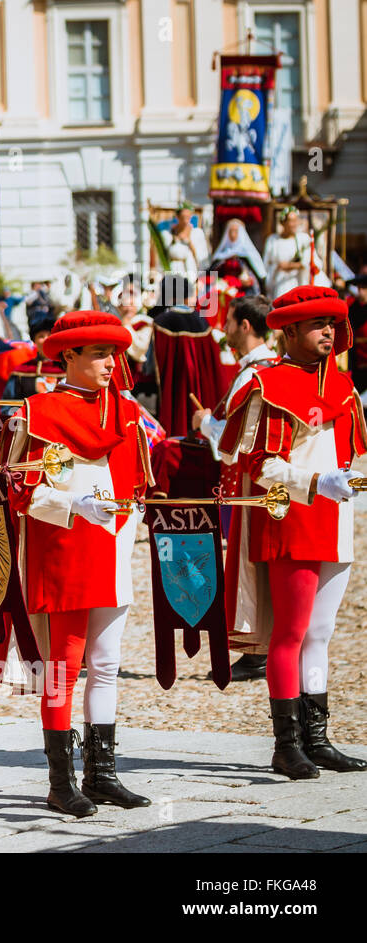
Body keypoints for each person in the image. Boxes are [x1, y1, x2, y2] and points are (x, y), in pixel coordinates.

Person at [3, 310, 152, 817]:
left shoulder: (128, 413)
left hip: (111, 549)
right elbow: (21, 492)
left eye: (114, 353)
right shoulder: (37, 411)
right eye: (99, 354)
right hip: (65, 552)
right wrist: (72, 506)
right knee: (62, 670)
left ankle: (102, 774)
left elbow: (136, 488)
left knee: (107, 664)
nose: (112, 363)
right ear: (68, 356)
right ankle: (60, 783)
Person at [219, 286, 367, 778]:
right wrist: (313, 481)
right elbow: (259, 465)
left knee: (321, 633)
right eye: (317, 324)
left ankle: (317, 738)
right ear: (290, 331)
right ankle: (286, 746)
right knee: (290, 633)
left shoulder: (342, 386)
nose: (329, 331)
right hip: (292, 517)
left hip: (334, 517)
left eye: (332, 323)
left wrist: (341, 479)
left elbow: (346, 455)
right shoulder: (268, 383)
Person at [187, 296, 279, 683]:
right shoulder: (269, 368)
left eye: (228, 322)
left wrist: (206, 423)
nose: (223, 329)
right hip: (263, 481)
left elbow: (238, 439)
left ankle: (259, 649)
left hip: (248, 479)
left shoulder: (252, 375)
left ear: (244, 325)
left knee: (247, 565)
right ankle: (263, 645)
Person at [145, 273, 228, 437]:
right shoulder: (203, 323)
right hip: (201, 395)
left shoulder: (161, 322)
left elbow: (150, 367)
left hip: (172, 393)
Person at [263, 207, 313, 298]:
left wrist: (291, 265)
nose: (294, 224)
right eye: (291, 221)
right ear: (283, 223)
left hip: (298, 281)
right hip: (280, 283)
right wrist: (278, 267)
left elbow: (309, 262)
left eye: (295, 220)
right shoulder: (273, 240)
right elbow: (267, 263)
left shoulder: (303, 239)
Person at [162, 203, 210, 280]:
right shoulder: (168, 234)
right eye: (182, 217)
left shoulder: (197, 233)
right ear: (177, 217)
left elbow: (202, 258)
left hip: (190, 272)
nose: (185, 220)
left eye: (187, 217)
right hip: (173, 272)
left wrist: (189, 242)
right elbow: (164, 255)